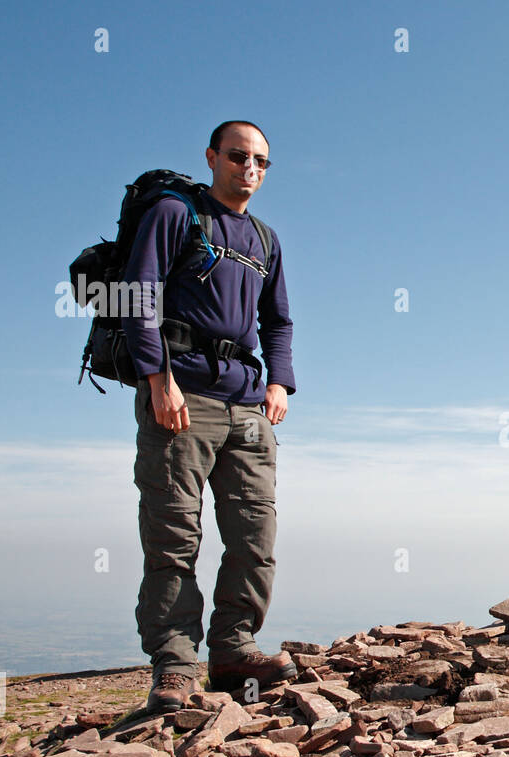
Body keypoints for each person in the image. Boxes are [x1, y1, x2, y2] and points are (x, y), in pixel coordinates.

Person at [120, 120, 297, 712]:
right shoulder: (177, 214)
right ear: (212, 157)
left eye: (262, 161)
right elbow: (138, 293)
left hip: (247, 403)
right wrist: (156, 379)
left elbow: (278, 321)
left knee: (255, 534)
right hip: (181, 396)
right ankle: (174, 663)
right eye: (239, 156)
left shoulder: (266, 240)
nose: (250, 168)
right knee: (173, 536)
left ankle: (233, 647)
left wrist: (279, 381)